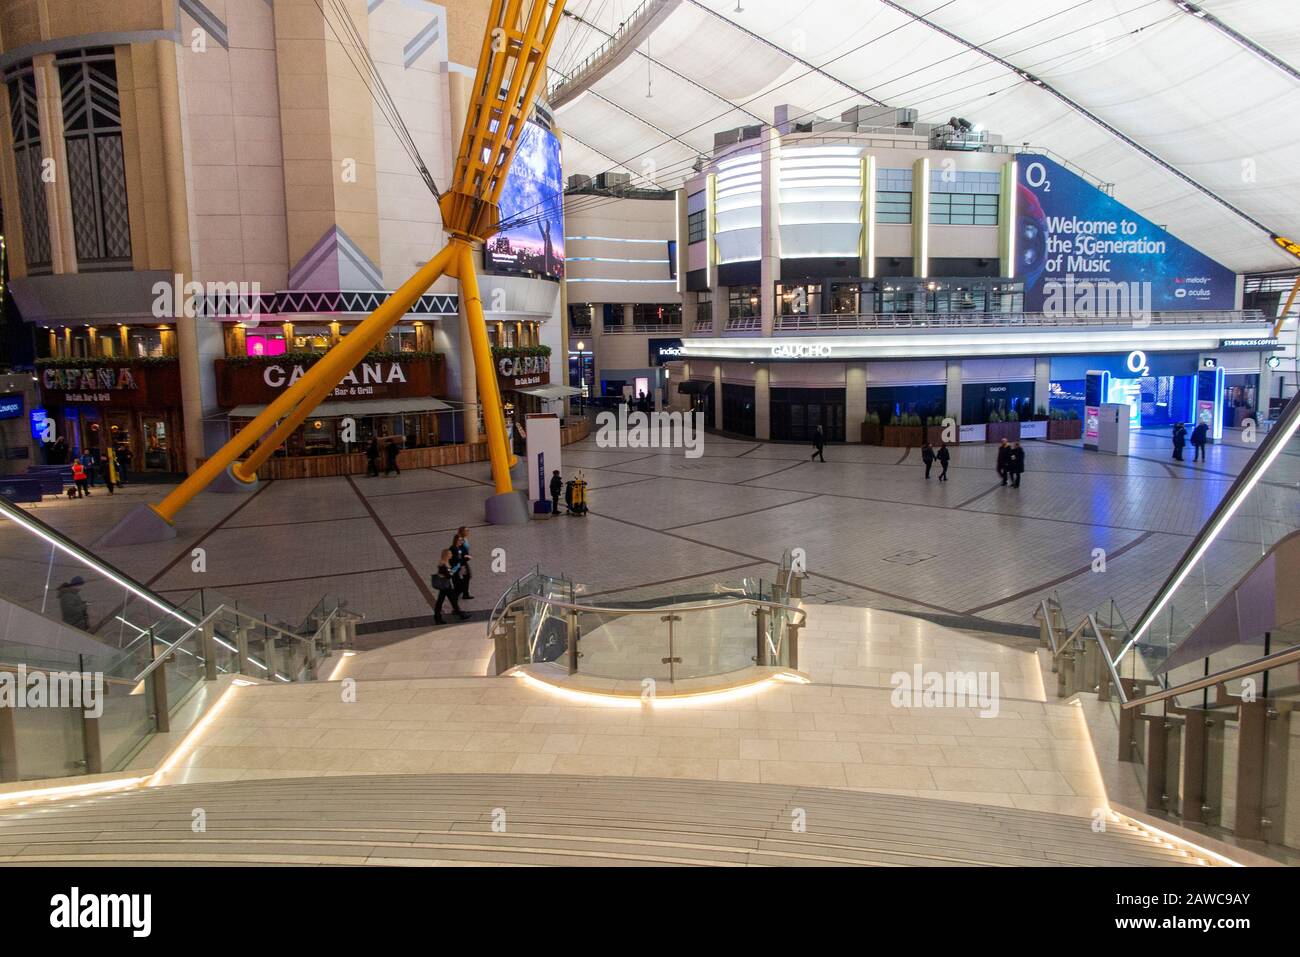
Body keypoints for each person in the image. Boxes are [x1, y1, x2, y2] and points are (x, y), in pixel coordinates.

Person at [432, 548, 470, 625]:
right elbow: (448, 575)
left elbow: (448, 574)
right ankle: (438, 618)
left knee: (449, 601)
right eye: (450, 554)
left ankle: (439, 617)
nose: (451, 555)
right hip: (445, 586)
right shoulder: (443, 564)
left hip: (446, 586)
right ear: (446, 555)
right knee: (443, 602)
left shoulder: (445, 563)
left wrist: (453, 569)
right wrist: (455, 569)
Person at [452, 527, 474, 600]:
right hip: (461, 564)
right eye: (466, 530)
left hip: (463, 562)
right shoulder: (457, 546)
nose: (468, 531)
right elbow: (458, 556)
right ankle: (461, 593)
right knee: (464, 577)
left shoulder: (464, 540)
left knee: (466, 577)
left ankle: (464, 593)